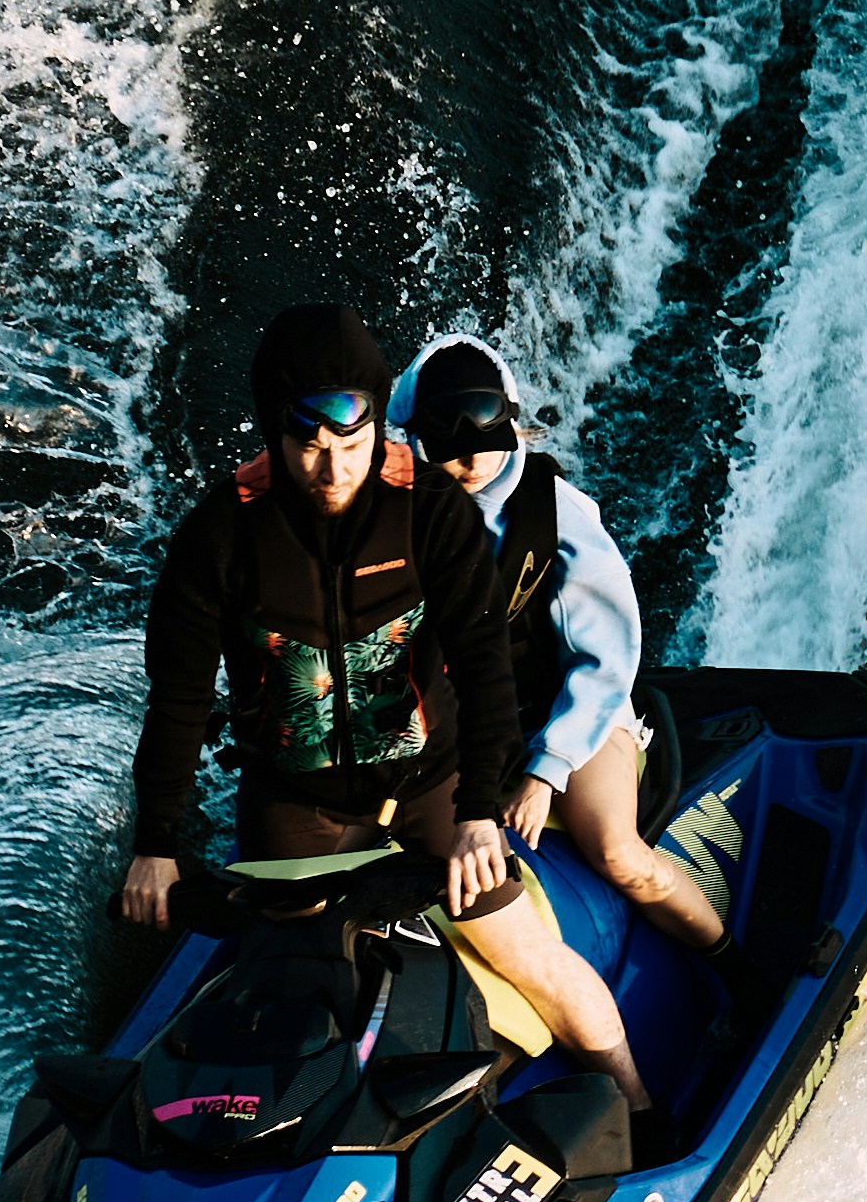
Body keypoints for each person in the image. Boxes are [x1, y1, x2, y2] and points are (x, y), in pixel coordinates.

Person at [118, 304, 665, 1110]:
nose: (332, 471)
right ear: (273, 432)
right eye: (306, 446)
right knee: (279, 993)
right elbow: (178, 697)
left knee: (529, 958)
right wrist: (155, 844)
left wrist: (479, 810)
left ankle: (642, 1109)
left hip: (432, 791)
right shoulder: (218, 535)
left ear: (379, 423)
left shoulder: (427, 506)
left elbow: (484, 668)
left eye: (351, 441)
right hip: (295, 805)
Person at [392, 338, 729, 971]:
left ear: (512, 427)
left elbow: (605, 658)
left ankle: (729, 959)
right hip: (460, 729)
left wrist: (548, 770)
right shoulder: (400, 510)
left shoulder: (558, 517)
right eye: (447, 451)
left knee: (616, 853)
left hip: (569, 716)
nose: (468, 465)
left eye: (484, 446)